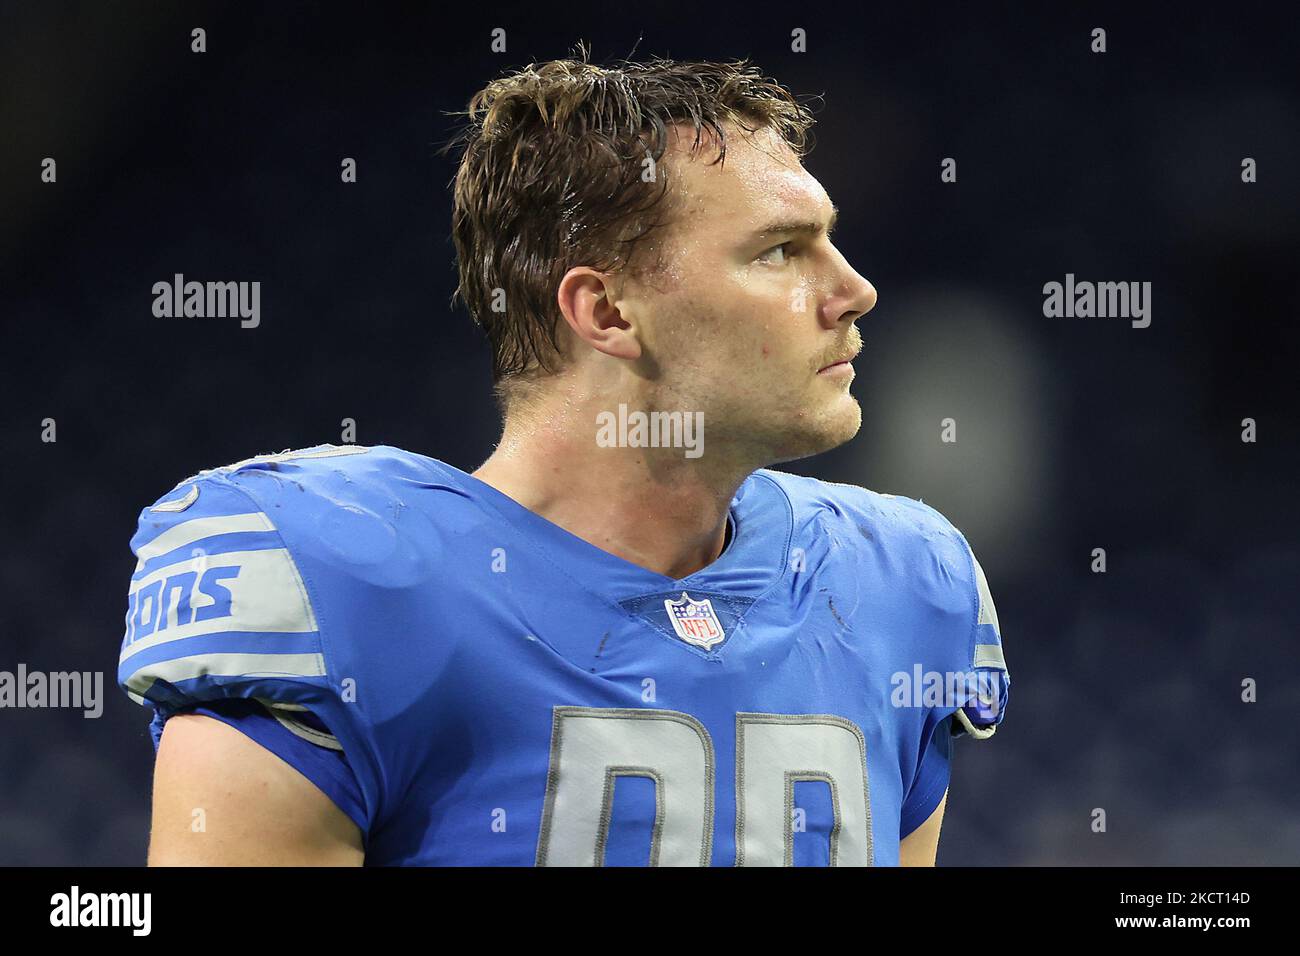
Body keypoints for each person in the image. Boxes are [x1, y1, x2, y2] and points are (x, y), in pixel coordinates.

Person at [120, 53, 1009, 866]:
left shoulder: (897, 586)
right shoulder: (337, 583)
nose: (854, 289)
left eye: (829, 239)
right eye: (781, 251)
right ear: (607, 313)